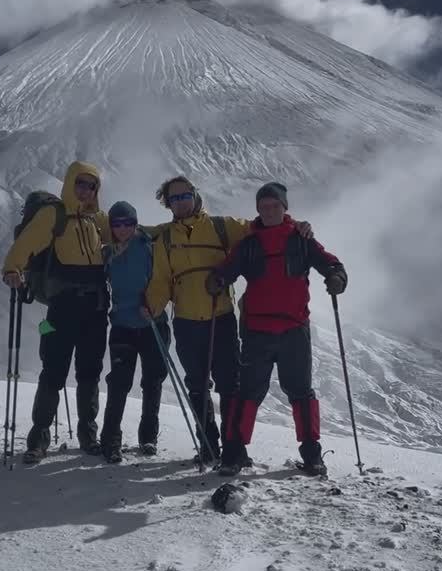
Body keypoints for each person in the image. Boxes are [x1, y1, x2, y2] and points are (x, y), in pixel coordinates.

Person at [144, 175, 313, 463]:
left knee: (229, 384)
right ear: (168, 204)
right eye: (174, 198)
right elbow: (160, 280)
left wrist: (296, 225)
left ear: (195, 196)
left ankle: (232, 448)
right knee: (197, 385)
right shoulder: (166, 239)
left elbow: (266, 226)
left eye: (185, 196)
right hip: (186, 320)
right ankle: (209, 445)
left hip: (220, 318)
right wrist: (152, 305)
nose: (181, 202)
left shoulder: (222, 227)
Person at [206, 180, 347, 477]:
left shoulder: (301, 239)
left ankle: (310, 455)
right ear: (258, 210)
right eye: (263, 207)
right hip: (259, 332)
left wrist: (337, 277)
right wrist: (218, 278)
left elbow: (330, 263)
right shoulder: (249, 243)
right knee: (252, 393)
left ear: (284, 208)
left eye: (274, 206)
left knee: (297, 393)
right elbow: (228, 268)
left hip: (291, 331)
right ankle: (234, 454)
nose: (269, 211)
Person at [2, 160, 109, 464]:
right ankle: (38, 438)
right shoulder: (54, 214)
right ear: (70, 183)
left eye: (92, 185)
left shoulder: (97, 220)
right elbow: (28, 242)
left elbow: (127, 233)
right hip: (63, 308)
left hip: (95, 309)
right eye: (81, 183)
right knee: (53, 371)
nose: (86, 190)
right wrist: (12, 268)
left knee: (90, 372)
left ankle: (88, 434)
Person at [99, 201, 170, 463]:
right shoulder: (107, 253)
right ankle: (110, 440)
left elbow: (165, 278)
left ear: (135, 223)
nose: (122, 228)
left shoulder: (150, 245)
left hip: (153, 322)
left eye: (128, 223)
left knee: (153, 381)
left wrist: (154, 303)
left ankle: (148, 437)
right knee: (119, 383)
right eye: (117, 224)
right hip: (123, 326)